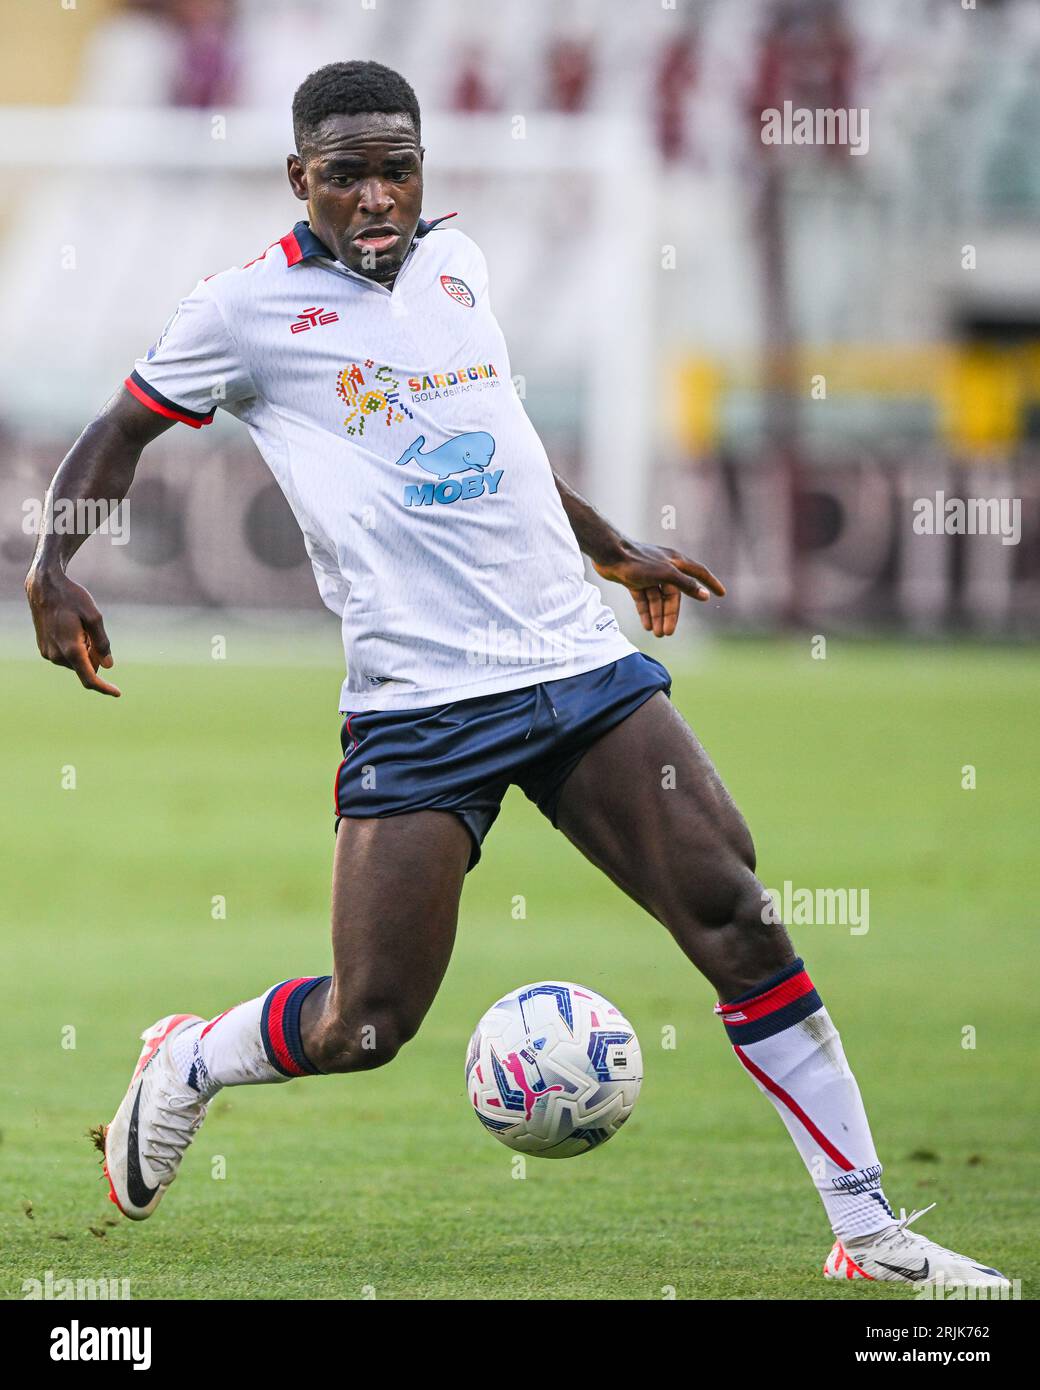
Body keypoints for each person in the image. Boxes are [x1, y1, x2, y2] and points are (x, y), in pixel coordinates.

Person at [25, 60, 1006, 1288]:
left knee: (735, 915)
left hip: (576, 669)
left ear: (422, 171)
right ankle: (190, 1057)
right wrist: (53, 566)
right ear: (300, 181)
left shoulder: (457, 264)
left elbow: (497, 443)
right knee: (366, 1023)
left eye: (397, 167)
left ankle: (868, 1234)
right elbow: (116, 431)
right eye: (346, 175)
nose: (376, 195)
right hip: (419, 706)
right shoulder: (240, 312)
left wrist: (608, 546)